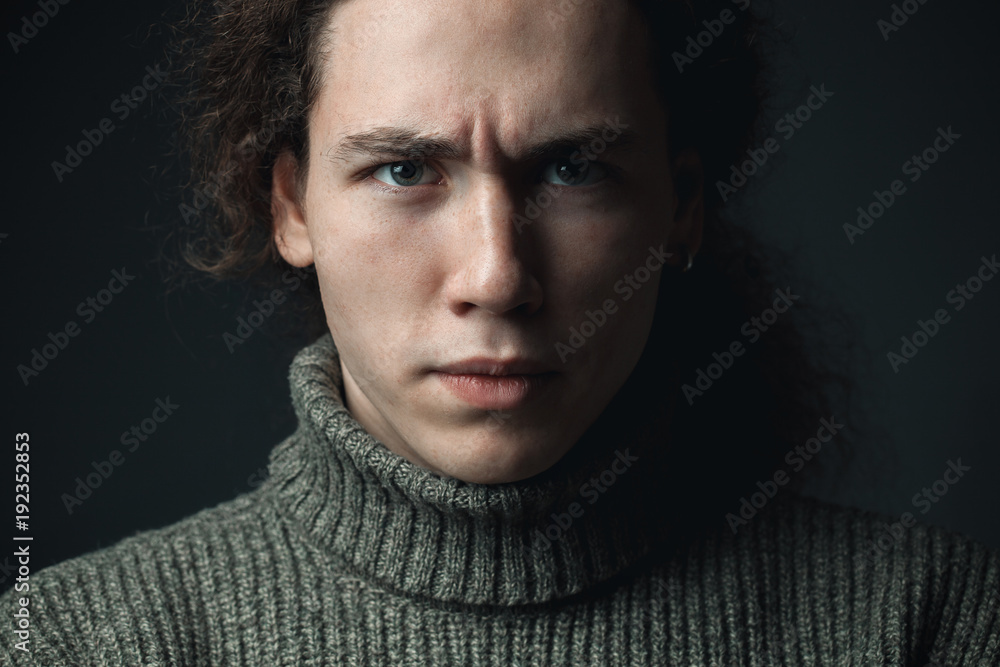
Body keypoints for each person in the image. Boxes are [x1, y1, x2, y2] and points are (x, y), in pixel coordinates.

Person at [3, 0, 998, 664]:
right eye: (404, 170)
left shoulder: (928, 624)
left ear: (682, 206)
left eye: (573, 168)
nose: (497, 277)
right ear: (292, 206)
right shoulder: (78, 645)